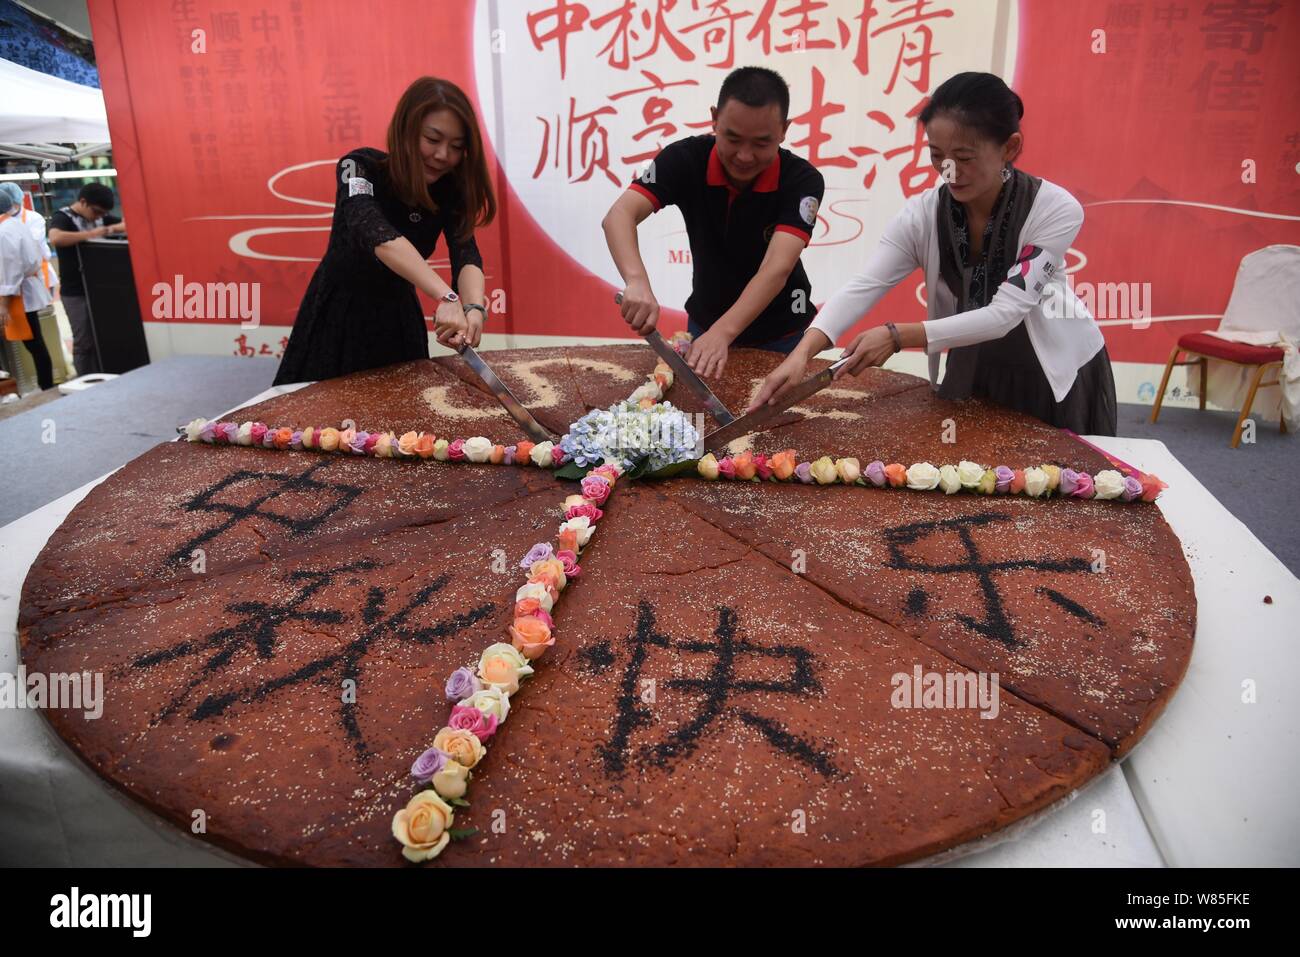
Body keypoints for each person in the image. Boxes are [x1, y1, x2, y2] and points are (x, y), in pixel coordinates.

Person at [751, 72, 1117, 436]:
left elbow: (1005, 314)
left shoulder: (1054, 209)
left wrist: (897, 336)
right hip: (975, 366)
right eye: (937, 155)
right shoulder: (924, 215)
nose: (949, 171)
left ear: (1010, 147)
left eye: (964, 157)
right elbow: (866, 284)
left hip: (1054, 374)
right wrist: (802, 354)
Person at [602, 66, 826, 379]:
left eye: (761, 143)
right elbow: (619, 215)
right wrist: (636, 279)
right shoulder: (683, 159)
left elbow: (777, 268)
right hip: (705, 325)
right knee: (698, 409)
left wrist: (724, 332)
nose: (744, 156)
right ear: (714, 119)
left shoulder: (802, 180)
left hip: (782, 335)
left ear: (784, 130)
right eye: (732, 138)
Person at [273, 76, 494, 385]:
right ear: (405, 130)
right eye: (432, 139)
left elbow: (466, 252)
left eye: (456, 147)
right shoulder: (357, 166)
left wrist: (473, 309)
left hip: (398, 322)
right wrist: (446, 296)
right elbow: (377, 235)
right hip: (337, 317)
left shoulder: (450, 190)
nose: (443, 155)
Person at [47, 182, 123, 376]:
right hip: (75, 291)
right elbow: (55, 238)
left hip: (100, 288)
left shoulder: (101, 218)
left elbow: (128, 223)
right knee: (84, 342)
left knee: (104, 337)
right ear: (83, 202)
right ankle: (84, 380)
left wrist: (110, 229)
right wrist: (91, 234)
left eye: (103, 214)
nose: (98, 217)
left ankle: (105, 374)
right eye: (96, 212)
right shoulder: (63, 217)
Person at [0, 182, 55, 391]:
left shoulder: (5, 231)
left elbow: (11, 268)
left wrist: (4, 304)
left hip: (19, 294)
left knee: (34, 343)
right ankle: (45, 386)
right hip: (20, 289)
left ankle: (46, 387)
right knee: (34, 342)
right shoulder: (11, 224)